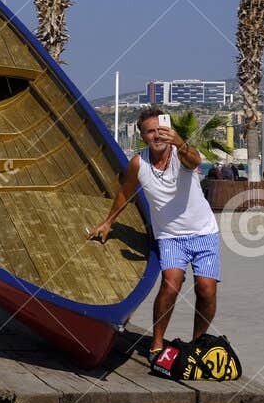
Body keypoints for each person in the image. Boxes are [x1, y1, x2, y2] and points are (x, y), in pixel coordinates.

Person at [88, 107, 220, 368]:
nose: (157, 136)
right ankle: (157, 342)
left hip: (204, 231)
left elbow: (194, 161)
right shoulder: (140, 162)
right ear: (143, 135)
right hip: (170, 236)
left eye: (161, 130)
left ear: (169, 131)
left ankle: (197, 344)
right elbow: (126, 192)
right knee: (171, 284)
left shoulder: (181, 154)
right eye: (150, 131)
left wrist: (180, 143)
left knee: (206, 289)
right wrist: (108, 222)